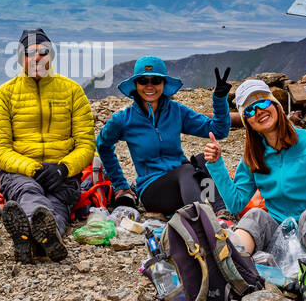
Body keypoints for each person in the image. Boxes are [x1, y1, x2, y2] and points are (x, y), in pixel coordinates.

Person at [203, 78, 306, 271]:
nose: (258, 111)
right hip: (278, 236)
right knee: (256, 215)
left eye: (263, 102)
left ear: (275, 106)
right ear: (247, 122)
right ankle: (228, 270)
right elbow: (236, 204)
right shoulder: (253, 156)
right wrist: (216, 164)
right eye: (250, 110)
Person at [0, 28, 95, 264]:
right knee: (28, 191)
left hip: (62, 172)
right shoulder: (4, 96)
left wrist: (63, 168)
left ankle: (31, 239)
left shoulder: (73, 92)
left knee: (58, 201)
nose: (37, 58)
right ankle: (46, 237)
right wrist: (32, 169)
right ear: (20, 58)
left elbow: (86, 145)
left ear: (51, 56)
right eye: (29, 52)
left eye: (43, 52)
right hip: (21, 172)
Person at [95, 57, 232, 215]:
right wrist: (120, 185)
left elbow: (218, 130)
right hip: (153, 192)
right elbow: (103, 145)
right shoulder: (123, 120)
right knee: (187, 170)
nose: (150, 86)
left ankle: (222, 214)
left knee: (204, 160)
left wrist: (220, 100)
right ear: (135, 85)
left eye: (156, 80)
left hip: (184, 186)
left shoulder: (176, 111)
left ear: (163, 84)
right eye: (143, 81)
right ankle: (201, 222)